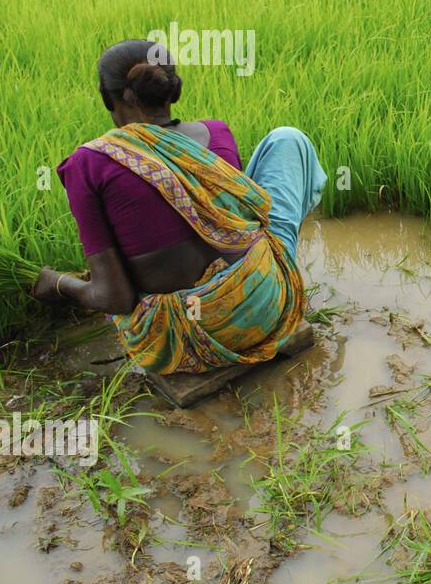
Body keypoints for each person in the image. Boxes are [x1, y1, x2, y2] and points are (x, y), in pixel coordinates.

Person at [33, 40, 326, 376]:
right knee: (288, 139)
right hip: (266, 306)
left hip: (179, 337)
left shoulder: (87, 165)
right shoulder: (216, 134)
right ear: (172, 90)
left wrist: (58, 283)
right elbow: (243, 219)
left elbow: (115, 298)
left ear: (107, 97)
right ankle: (252, 280)